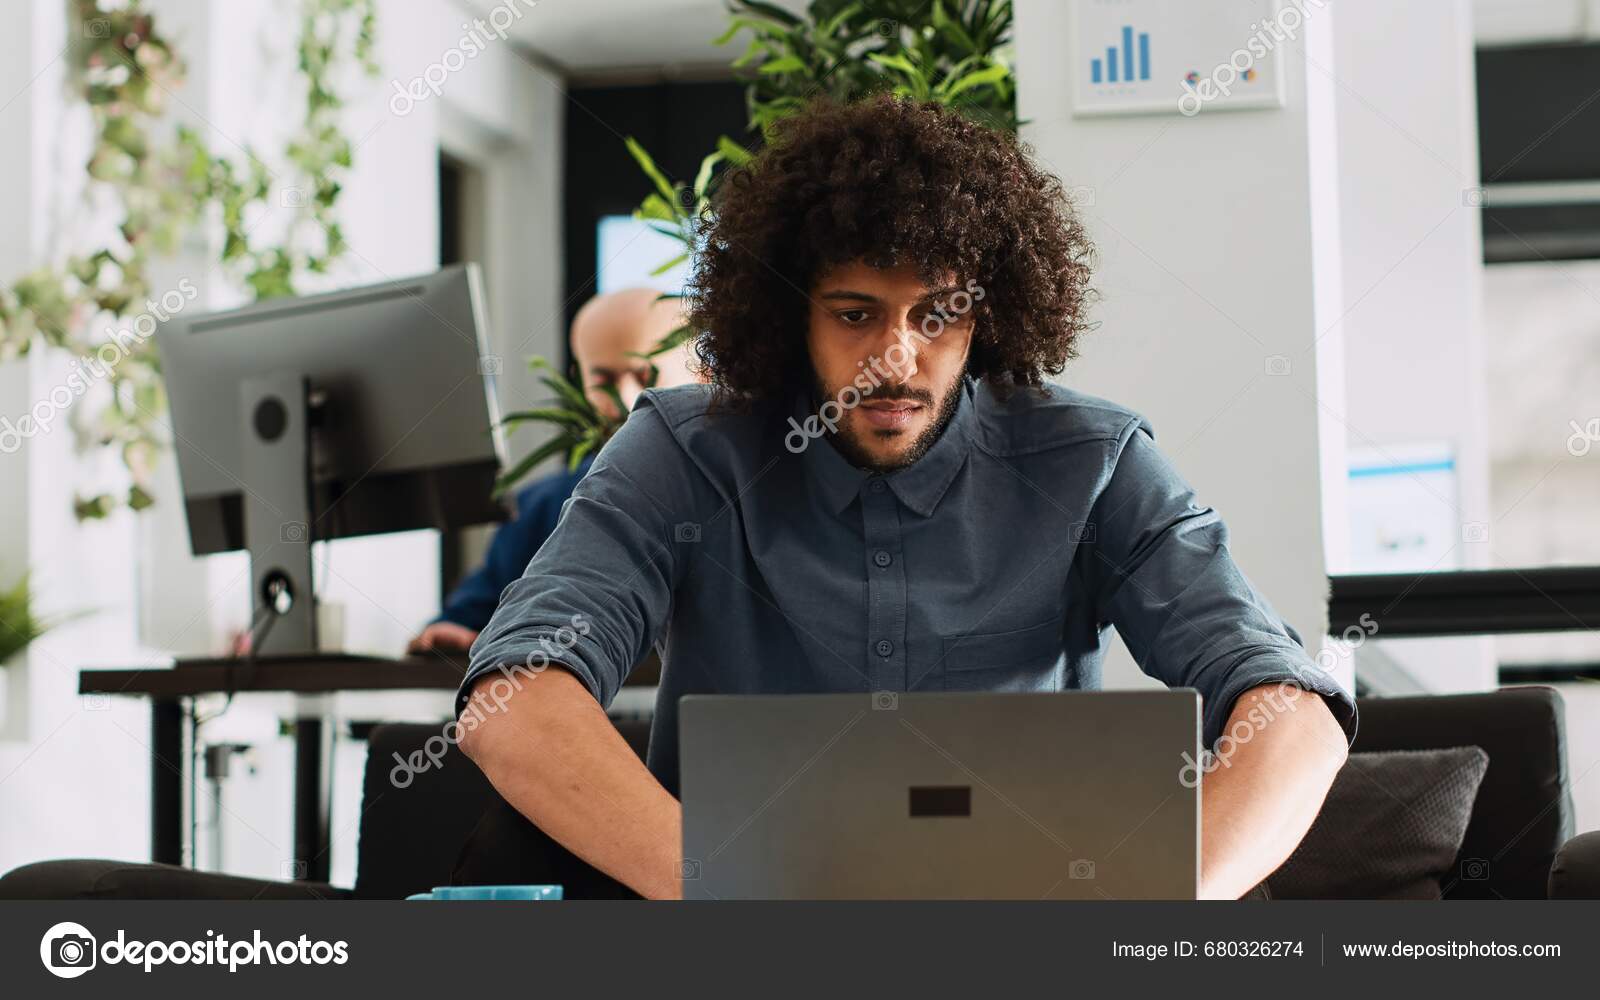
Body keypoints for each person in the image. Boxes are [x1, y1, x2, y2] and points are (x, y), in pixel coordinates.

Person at [456, 97, 1356, 900]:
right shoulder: (682, 452)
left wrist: (1166, 907)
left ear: (989, 314)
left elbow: (1292, 708)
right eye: (855, 315)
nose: (896, 357)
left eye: (937, 316)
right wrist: (715, 890)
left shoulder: (1097, 462)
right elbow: (515, 698)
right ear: (789, 315)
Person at [407, 288, 697, 653]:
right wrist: (453, 631)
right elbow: (473, 613)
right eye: (604, 380)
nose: (627, 401)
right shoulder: (539, 506)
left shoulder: (734, 495)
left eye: (645, 375)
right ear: (578, 380)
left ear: (698, 371)